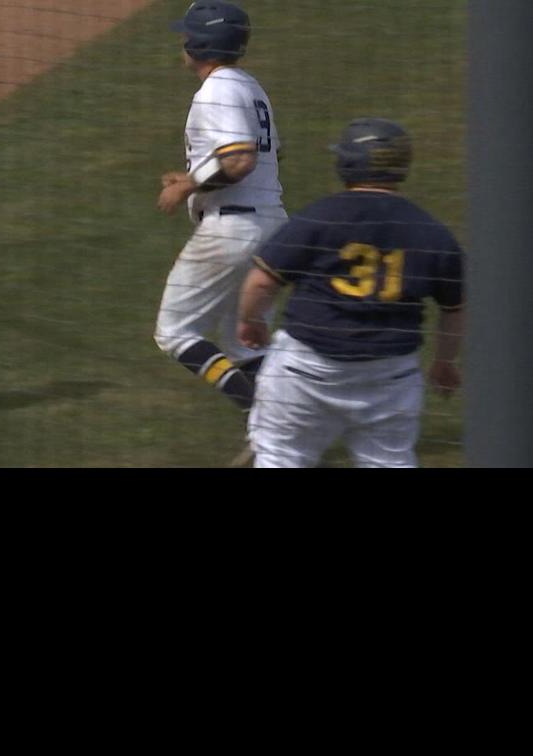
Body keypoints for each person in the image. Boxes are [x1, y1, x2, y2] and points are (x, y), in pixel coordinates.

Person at [237, 118, 466, 468]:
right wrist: (444, 362)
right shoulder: (431, 231)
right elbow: (454, 308)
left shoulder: (320, 216)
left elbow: (261, 282)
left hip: (305, 372)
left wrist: (250, 322)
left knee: (281, 458)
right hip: (390, 377)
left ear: (346, 163)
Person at [154, 1, 285, 418]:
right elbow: (259, 156)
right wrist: (193, 177)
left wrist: (189, 186)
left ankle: (264, 416)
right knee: (243, 341)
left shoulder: (217, 90)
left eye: (187, 34)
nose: (182, 40)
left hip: (233, 231)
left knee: (174, 332)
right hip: (269, 223)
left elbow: (240, 160)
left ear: (200, 42)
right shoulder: (248, 85)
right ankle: (286, 426)